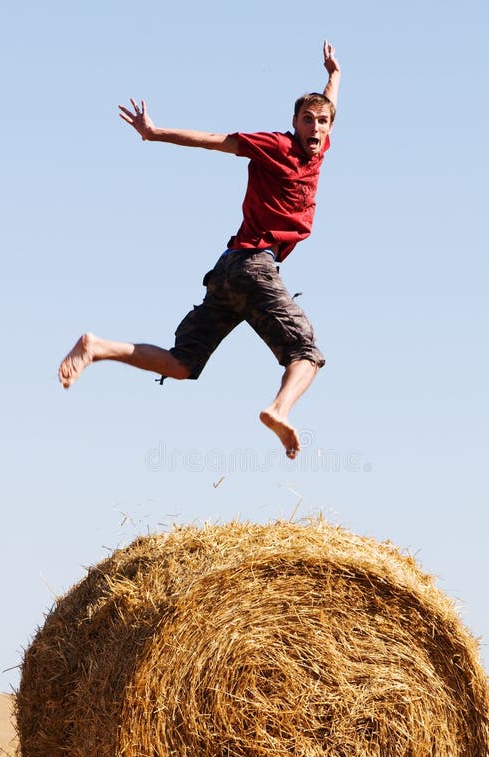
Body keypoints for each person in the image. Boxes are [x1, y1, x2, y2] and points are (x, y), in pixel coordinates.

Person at [59, 40, 340, 459]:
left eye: (321, 122)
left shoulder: (318, 147)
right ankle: (279, 410)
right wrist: (155, 134)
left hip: (228, 272)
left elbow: (328, 103)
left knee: (183, 364)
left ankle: (98, 346)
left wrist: (334, 75)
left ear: (329, 127)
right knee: (306, 354)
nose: (315, 128)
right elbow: (215, 140)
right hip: (254, 266)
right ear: (294, 123)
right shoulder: (277, 146)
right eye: (307, 120)